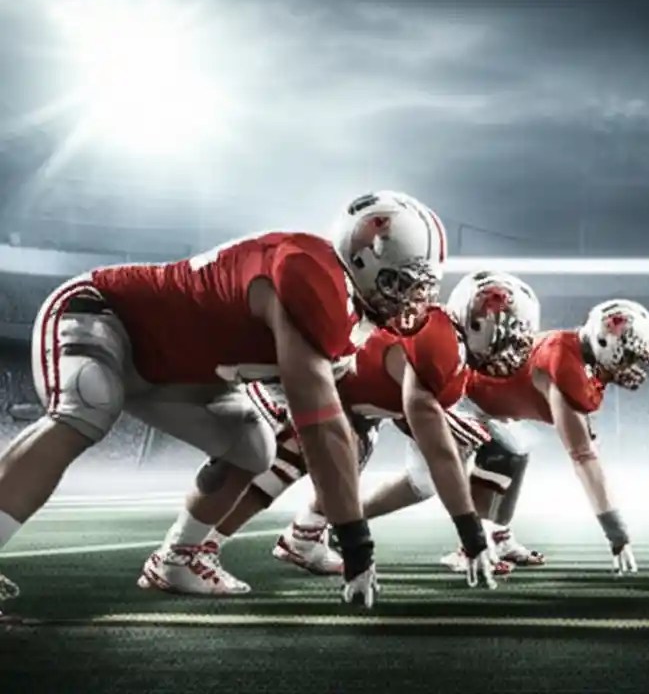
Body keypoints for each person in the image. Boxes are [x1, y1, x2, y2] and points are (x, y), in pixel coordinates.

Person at [0, 191, 445, 608]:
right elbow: (319, 422)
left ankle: (178, 559)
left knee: (253, 447)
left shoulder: (346, 318)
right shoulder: (312, 275)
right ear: (366, 255)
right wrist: (357, 544)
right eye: (402, 281)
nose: (412, 299)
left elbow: (322, 414)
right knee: (87, 405)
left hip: (177, 374)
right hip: (106, 314)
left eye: (420, 286)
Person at [150, 270, 540, 592]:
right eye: (509, 334)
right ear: (477, 322)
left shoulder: (450, 351)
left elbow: (403, 402)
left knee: (348, 450)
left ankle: (303, 538)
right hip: (303, 377)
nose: (513, 349)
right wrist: (472, 536)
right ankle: (193, 550)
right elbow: (435, 445)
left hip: (346, 404)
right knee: (294, 453)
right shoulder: (441, 343)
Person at [360, 299, 649, 575]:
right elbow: (583, 456)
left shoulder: (575, 356)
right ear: (605, 340)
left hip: (481, 405)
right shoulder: (564, 363)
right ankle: (460, 546)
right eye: (630, 355)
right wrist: (617, 533)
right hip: (456, 396)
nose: (633, 366)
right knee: (433, 477)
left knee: (514, 449)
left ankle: (498, 534)